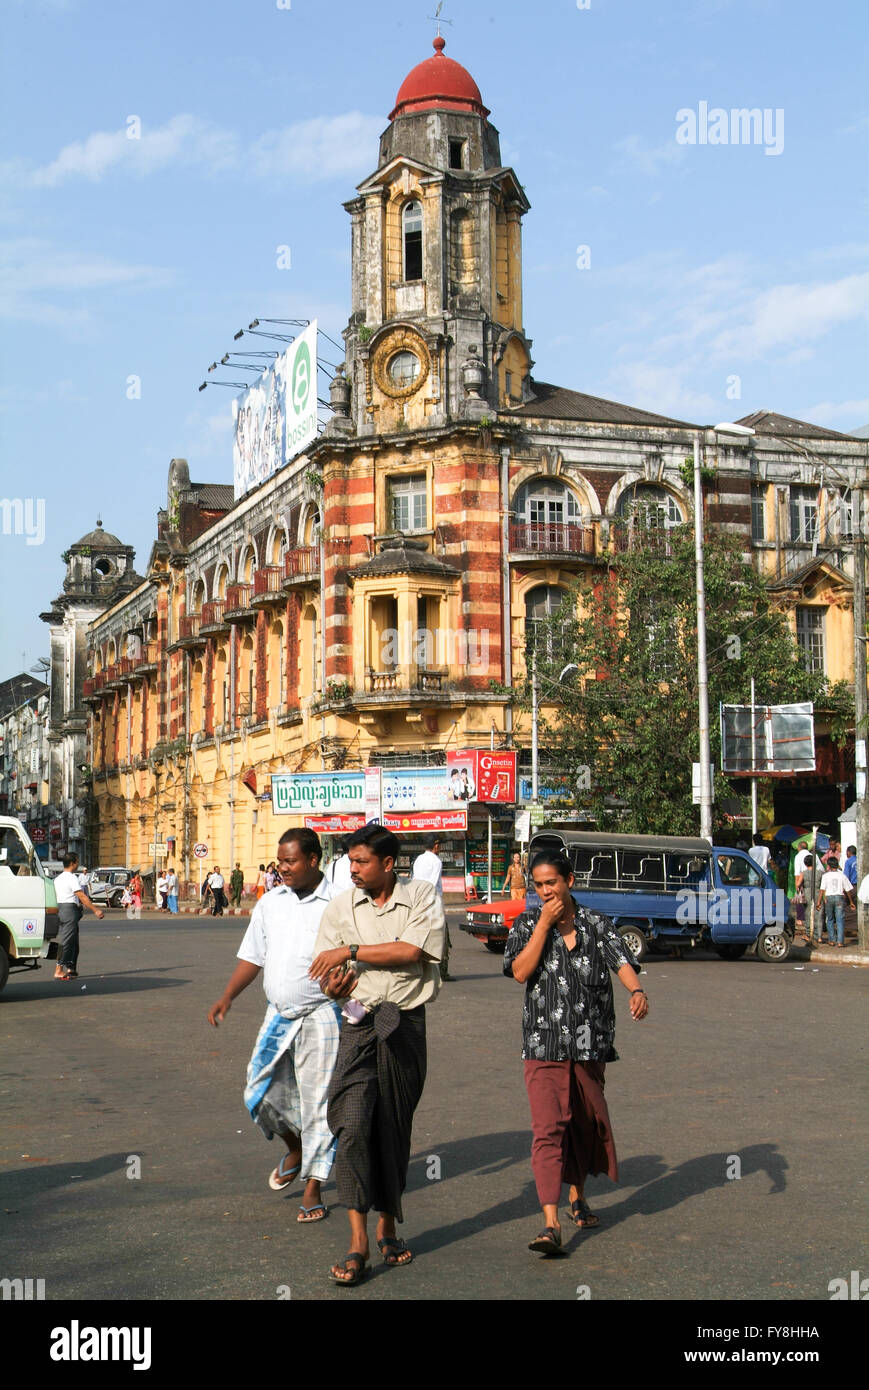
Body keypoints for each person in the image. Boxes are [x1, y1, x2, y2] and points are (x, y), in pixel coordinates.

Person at [309, 823, 446, 1286]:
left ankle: (388, 1222)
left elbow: (411, 951)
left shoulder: (422, 896)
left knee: (392, 1128)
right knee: (351, 1126)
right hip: (357, 1023)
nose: (353, 870)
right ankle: (357, 1240)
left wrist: (350, 952)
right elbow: (325, 974)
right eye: (350, 861)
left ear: (389, 864)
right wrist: (336, 986)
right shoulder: (341, 905)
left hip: (405, 1024)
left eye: (362, 862)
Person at [504, 850, 648, 1257]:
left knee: (583, 1124)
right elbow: (519, 971)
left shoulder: (596, 923)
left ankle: (577, 1195)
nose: (546, 890)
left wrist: (636, 990)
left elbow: (621, 960)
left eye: (553, 882)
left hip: (590, 1043)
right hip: (543, 1043)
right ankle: (550, 1223)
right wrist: (543, 926)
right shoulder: (528, 923)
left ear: (569, 880)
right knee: (548, 1128)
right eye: (539, 884)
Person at [208, 829, 340, 1223]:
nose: (281, 868)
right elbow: (254, 956)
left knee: (318, 1104)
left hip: (323, 1015)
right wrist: (228, 995)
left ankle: (313, 1187)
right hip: (279, 1014)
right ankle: (295, 1149)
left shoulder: (338, 903)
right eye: (279, 861)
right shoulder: (271, 903)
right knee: (258, 1092)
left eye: (290, 861)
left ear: (313, 859)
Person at [53, 851, 105, 980]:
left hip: (61, 909)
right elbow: (81, 895)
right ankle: (58, 969)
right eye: (77, 861)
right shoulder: (71, 878)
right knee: (66, 941)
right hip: (69, 910)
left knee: (74, 942)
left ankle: (71, 969)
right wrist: (95, 910)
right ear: (72, 863)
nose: (78, 864)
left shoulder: (58, 878)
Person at [413, 835, 452, 983]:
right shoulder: (436, 861)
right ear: (435, 845)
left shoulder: (419, 859)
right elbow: (432, 883)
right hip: (433, 903)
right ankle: (441, 972)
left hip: (419, 902)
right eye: (439, 845)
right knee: (441, 938)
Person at [815, 857, 854, 948]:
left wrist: (818, 902)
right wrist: (851, 901)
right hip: (839, 897)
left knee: (830, 919)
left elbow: (822, 890)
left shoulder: (825, 876)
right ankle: (840, 942)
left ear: (828, 865)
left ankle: (831, 940)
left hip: (828, 898)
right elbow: (848, 890)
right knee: (840, 920)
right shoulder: (842, 876)